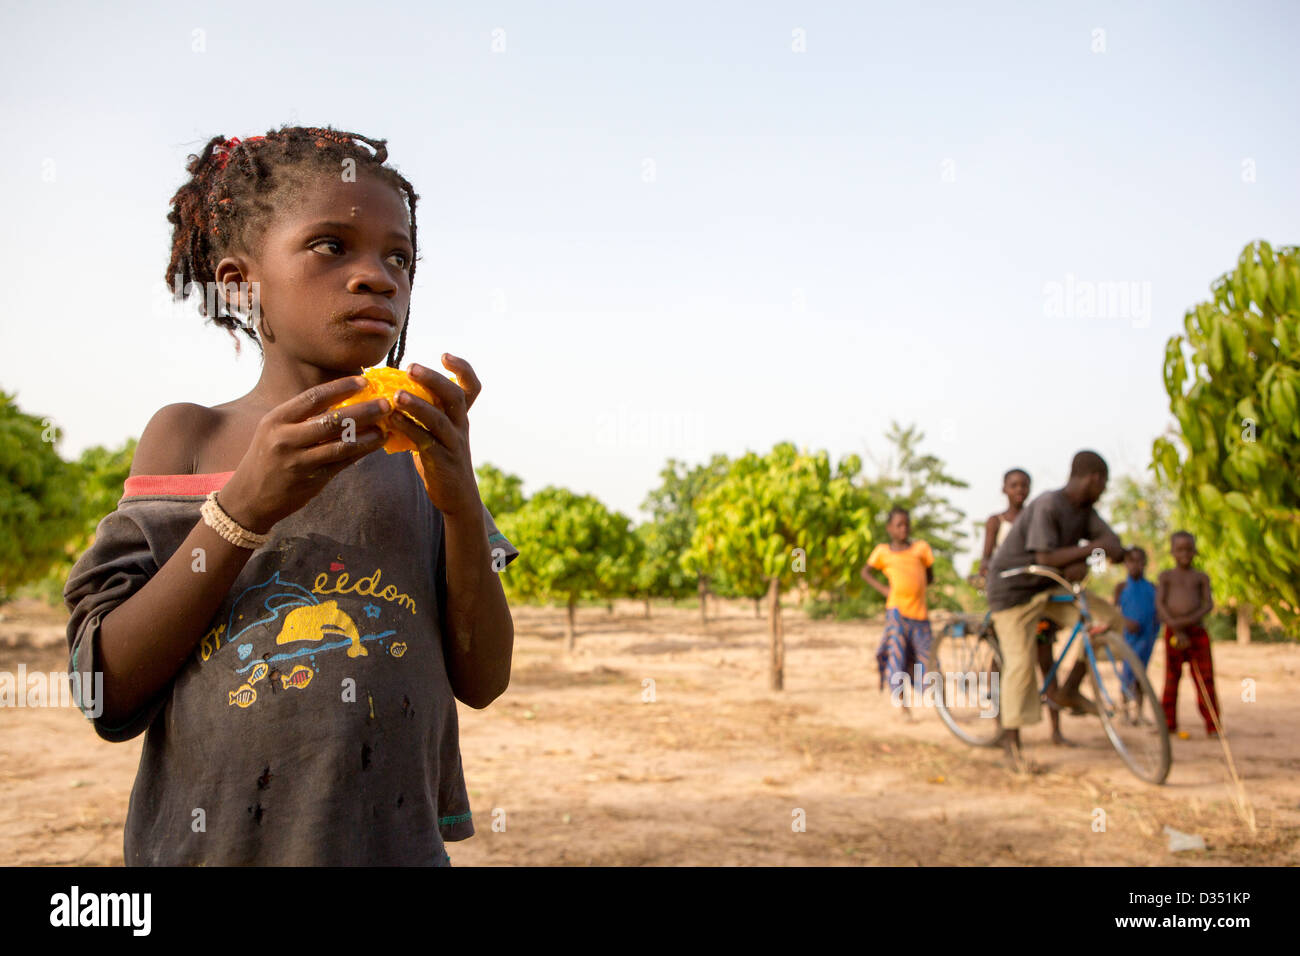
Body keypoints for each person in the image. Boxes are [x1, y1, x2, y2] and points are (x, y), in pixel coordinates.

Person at [63, 127, 520, 866]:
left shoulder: (418, 458)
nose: (378, 276)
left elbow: (485, 679)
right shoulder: (190, 437)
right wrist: (241, 510)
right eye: (332, 246)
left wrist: (461, 504)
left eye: (399, 257)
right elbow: (104, 694)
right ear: (242, 284)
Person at [984, 451, 1127, 765]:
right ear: (1094, 479)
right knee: (1021, 664)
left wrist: (1115, 549)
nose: (1104, 490)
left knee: (1108, 620)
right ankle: (1012, 745)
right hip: (1013, 593)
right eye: (1104, 484)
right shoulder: (1049, 505)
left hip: (1049, 590)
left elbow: (1109, 540)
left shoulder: (1085, 511)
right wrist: (1089, 550)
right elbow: (1044, 558)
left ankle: (1069, 689)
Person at [979, 468, 1070, 746]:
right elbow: (986, 559)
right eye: (1014, 485)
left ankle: (1056, 730)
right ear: (1004, 489)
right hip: (1008, 597)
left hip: (1034, 597)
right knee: (1002, 663)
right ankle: (1002, 727)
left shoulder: (1037, 519)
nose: (1020, 490)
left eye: (1024, 485)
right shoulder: (996, 521)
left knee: (1046, 659)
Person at [862, 507, 935, 719]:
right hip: (897, 613)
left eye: (906, 524)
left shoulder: (921, 549)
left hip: (920, 614)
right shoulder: (882, 552)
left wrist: (917, 588)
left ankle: (939, 703)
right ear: (889, 528)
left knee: (928, 660)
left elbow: (929, 576)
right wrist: (885, 590)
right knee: (898, 659)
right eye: (898, 525)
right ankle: (904, 708)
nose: (903, 529)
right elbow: (865, 572)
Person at [1156, 532, 1220, 737]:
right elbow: (1160, 604)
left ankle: (1213, 726)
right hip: (1172, 633)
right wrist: (1175, 626)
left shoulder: (1201, 577)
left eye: (1188, 549)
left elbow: (1208, 604)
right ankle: (1167, 724)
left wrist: (1184, 623)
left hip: (1196, 632)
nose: (1185, 553)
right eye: (1180, 549)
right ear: (1172, 552)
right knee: (1171, 679)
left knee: (1205, 679)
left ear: (1195, 551)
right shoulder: (1165, 577)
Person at [1113, 546, 1159, 715]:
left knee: (1141, 676)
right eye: (1131, 561)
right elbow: (1113, 613)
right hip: (1128, 639)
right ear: (1125, 564)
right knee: (1127, 674)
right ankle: (1125, 711)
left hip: (1146, 639)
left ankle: (1139, 712)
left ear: (1145, 563)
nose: (1135, 565)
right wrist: (1126, 623)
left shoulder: (1152, 588)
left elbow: (1157, 613)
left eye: (1139, 561)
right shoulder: (1121, 587)